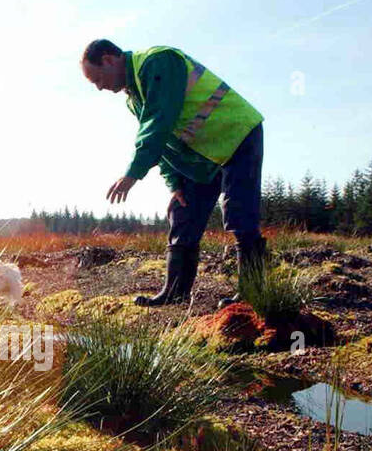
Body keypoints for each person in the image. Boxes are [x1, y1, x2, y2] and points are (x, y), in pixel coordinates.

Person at [82, 39, 266, 306]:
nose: (99, 87)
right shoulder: (133, 98)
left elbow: (159, 123)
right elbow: (164, 142)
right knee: (182, 210)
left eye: (97, 78)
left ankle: (254, 293)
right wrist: (173, 182)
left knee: (238, 210)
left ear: (110, 59)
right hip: (203, 153)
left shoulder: (157, 62)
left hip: (237, 133)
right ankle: (175, 293)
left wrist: (133, 173)